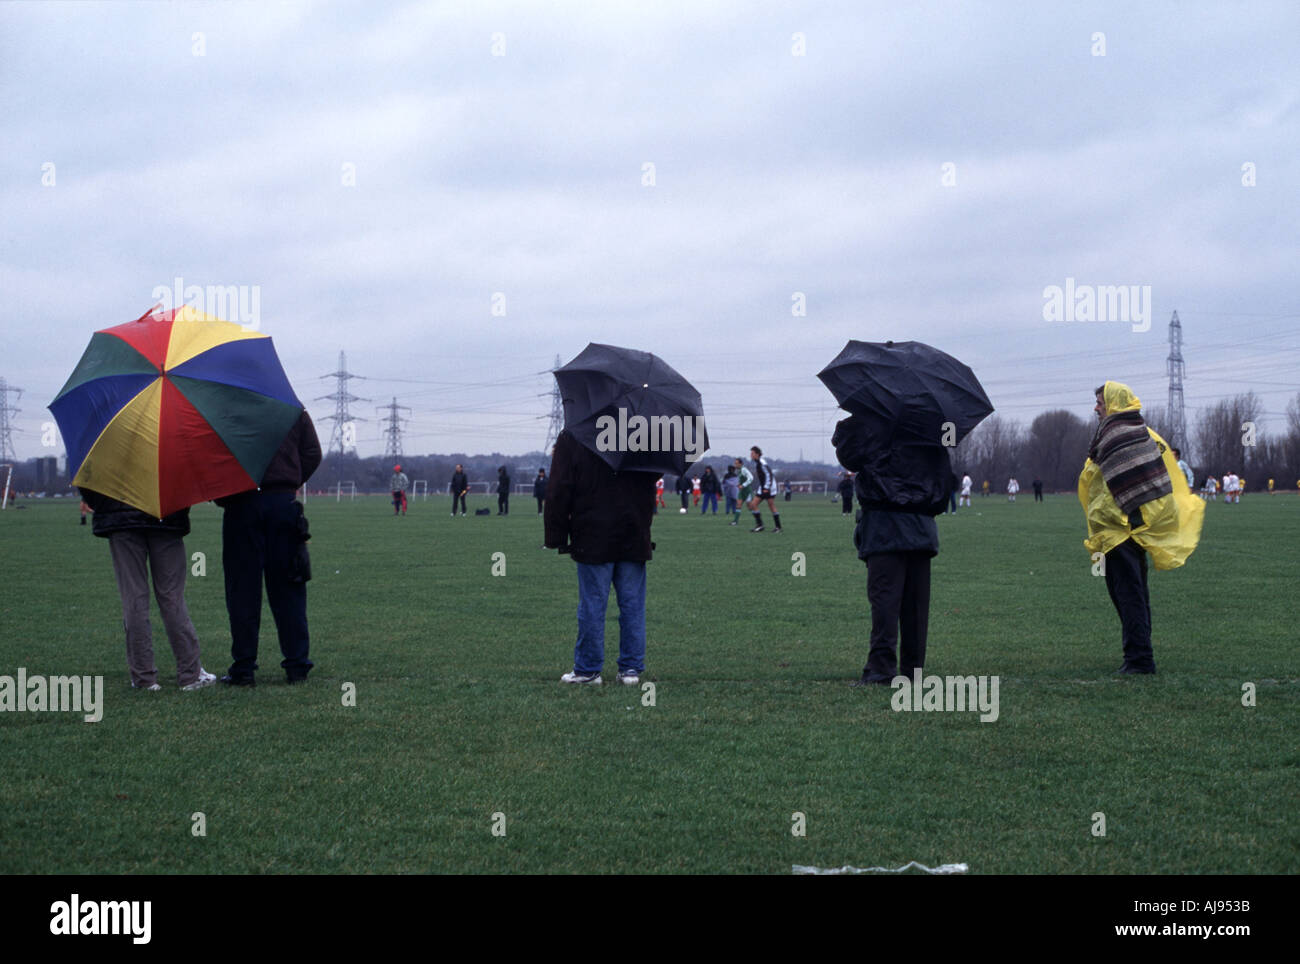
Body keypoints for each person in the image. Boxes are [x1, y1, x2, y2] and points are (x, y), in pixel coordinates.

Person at [1079, 381, 1203, 676]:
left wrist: (1127, 521)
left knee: (1129, 595)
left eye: (1100, 402)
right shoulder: (1140, 433)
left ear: (1114, 403)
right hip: (1126, 530)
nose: (1096, 408)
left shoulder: (1118, 435)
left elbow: (1127, 484)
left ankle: (1139, 659)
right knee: (1133, 593)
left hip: (1122, 531)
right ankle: (1138, 653)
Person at [544, 429, 657, 685]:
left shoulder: (574, 434)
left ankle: (587, 670)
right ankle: (630, 669)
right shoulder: (641, 433)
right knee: (632, 605)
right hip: (633, 530)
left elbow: (559, 487)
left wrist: (556, 536)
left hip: (592, 532)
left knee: (593, 604)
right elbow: (652, 478)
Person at [218, 409, 321, 686]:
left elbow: (213, 458)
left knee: (242, 591)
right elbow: (313, 453)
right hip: (282, 504)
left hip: (241, 505)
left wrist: (224, 495)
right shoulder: (292, 409)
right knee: (290, 588)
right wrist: (290, 481)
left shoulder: (226, 410)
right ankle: (297, 665)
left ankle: (244, 667)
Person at [79, 487, 216, 691]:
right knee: (172, 597)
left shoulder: (107, 453)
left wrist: (107, 507)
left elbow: (88, 483)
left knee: (134, 598)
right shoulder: (170, 453)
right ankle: (190, 674)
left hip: (122, 522)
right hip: (165, 518)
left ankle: (144, 677)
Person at [748, 446, 782, 533]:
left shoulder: (762, 463)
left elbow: (769, 475)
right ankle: (760, 526)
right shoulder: (758, 462)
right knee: (753, 505)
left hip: (769, 487)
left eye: (752, 453)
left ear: (757, 454)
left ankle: (778, 527)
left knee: (771, 505)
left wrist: (767, 488)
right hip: (763, 486)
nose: (751, 455)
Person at [732, 458, 753, 525]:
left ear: (740, 464)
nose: (735, 465)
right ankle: (735, 521)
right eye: (735, 463)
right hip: (741, 491)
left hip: (747, 491)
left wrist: (743, 485)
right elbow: (741, 479)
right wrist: (739, 484)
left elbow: (751, 478)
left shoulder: (744, 470)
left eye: (736, 463)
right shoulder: (739, 470)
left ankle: (758, 519)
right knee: (738, 505)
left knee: (750, 507)